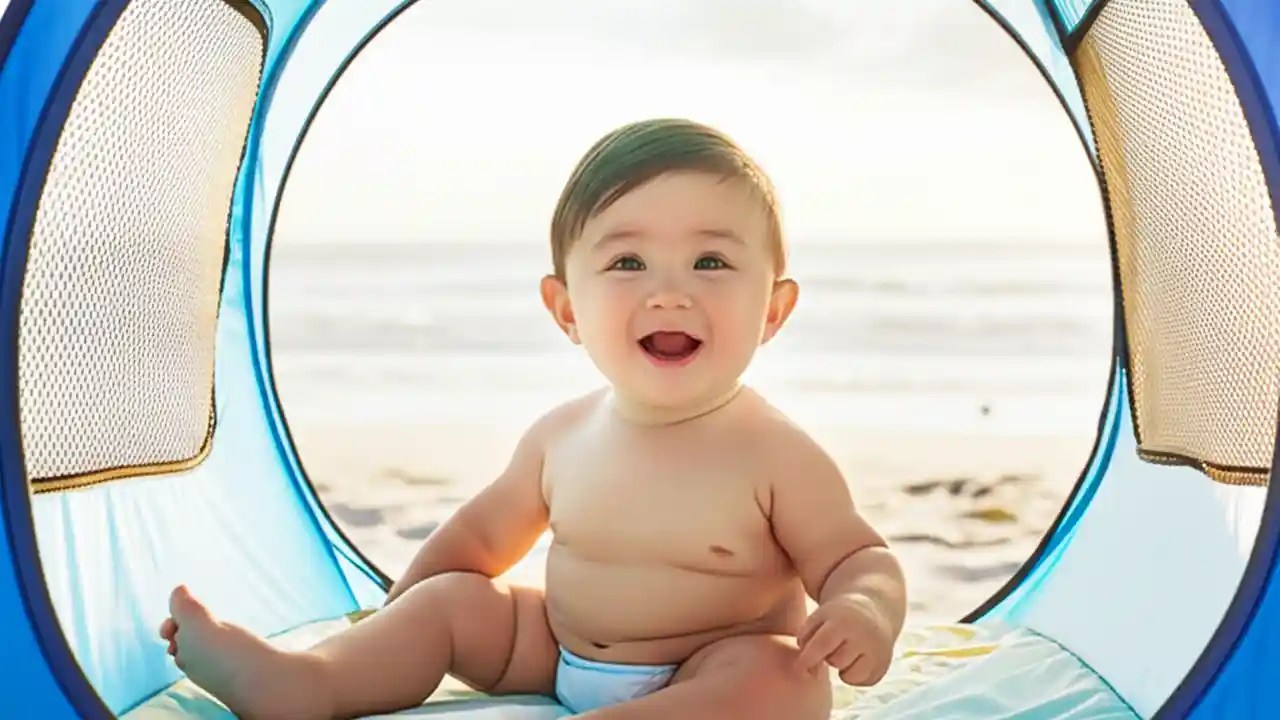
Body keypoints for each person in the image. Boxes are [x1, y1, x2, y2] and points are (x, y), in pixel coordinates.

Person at [159, 117, 907, 720]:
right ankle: (306, 685)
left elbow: (856, 558)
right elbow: (477, 541)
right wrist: (400, 617)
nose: (670, 293)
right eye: (627, 263)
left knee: (783, 678)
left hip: (711, 668)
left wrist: (864, 610)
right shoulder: (561, 436)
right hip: (553, 651)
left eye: (711, 262)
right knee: (454, 604)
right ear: (567, 310)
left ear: (772, 310)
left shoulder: (775, 454)